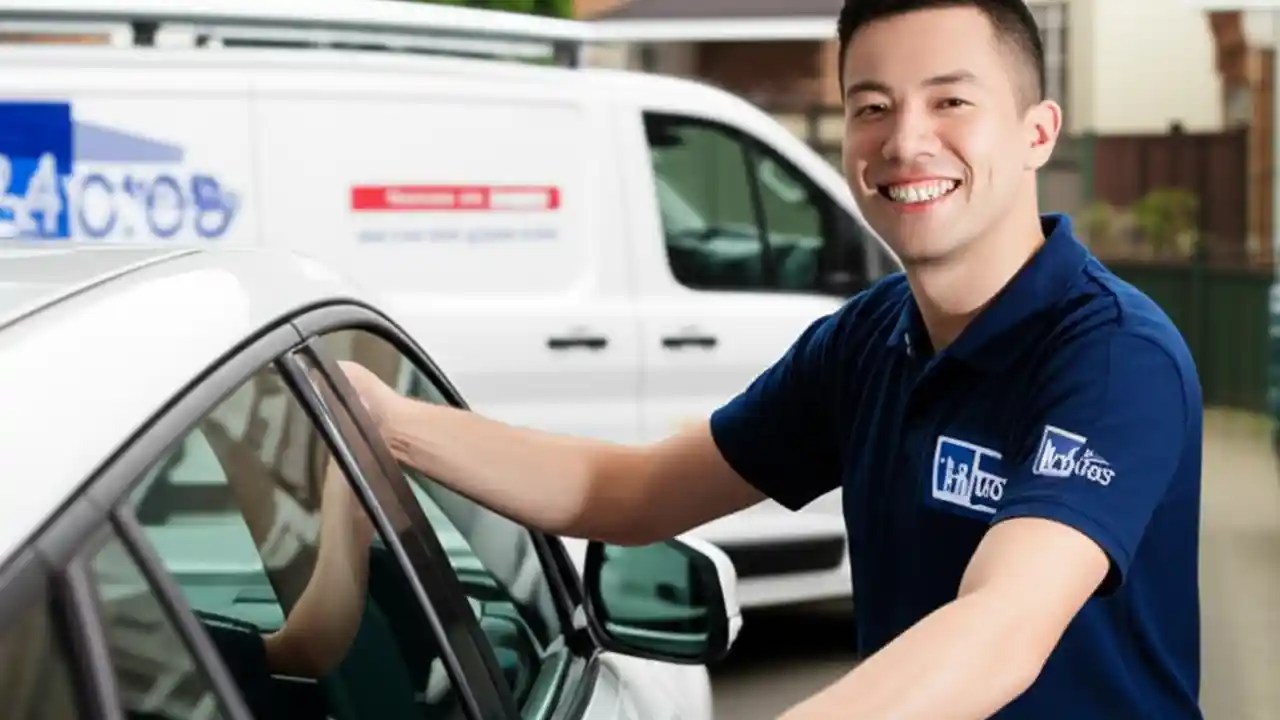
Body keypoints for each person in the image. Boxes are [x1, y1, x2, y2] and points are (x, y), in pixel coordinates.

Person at [339, 0, 1205, 717]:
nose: (905, 141)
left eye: (951, 102)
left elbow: (1001, 625)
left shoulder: (1113, 359)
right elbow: (632, 493)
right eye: (871, 107)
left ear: (1037, 133)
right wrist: (390, 424)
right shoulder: (867, 340)